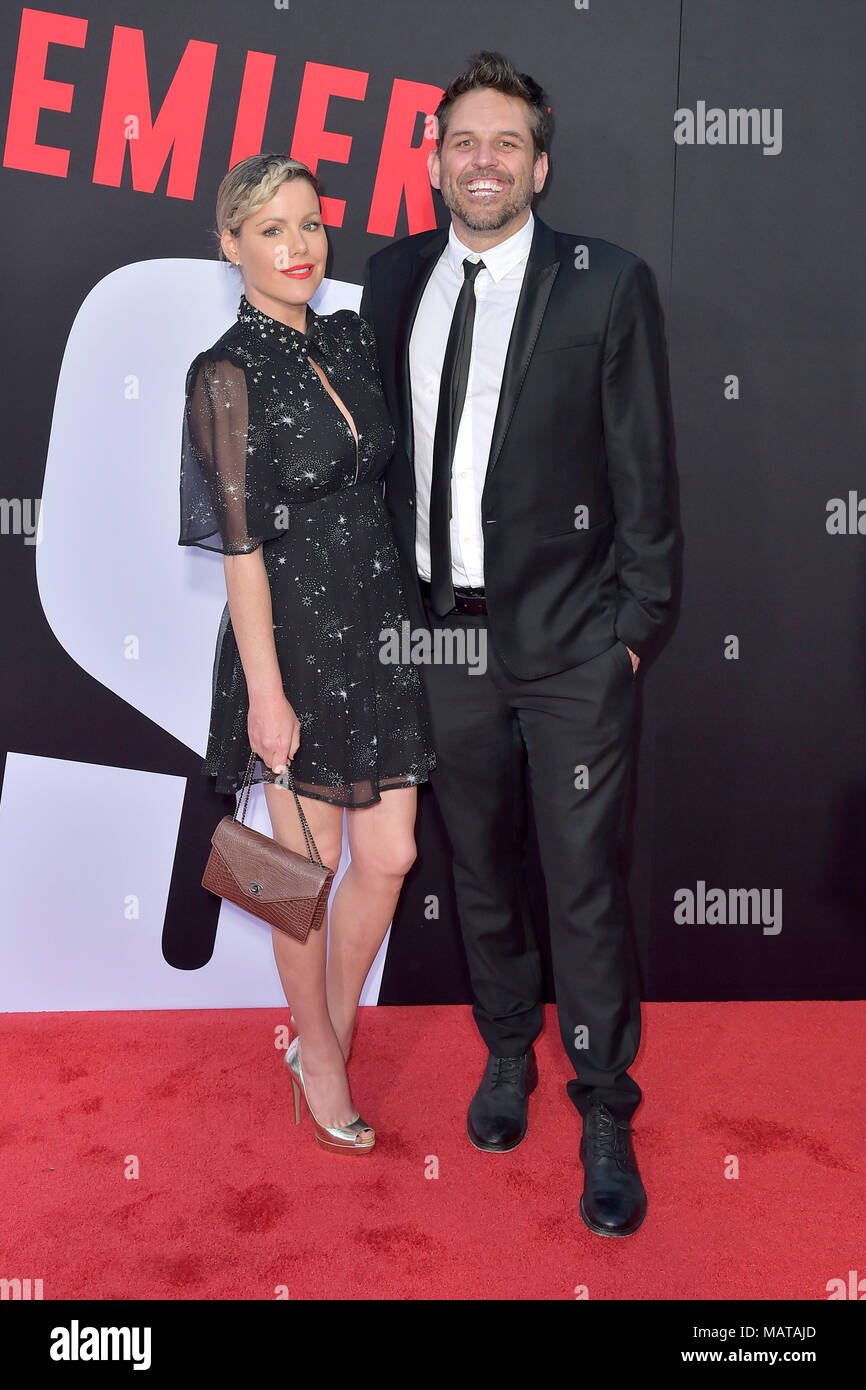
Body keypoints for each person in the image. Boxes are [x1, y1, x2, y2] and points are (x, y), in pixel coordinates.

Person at [360, 53, 677, 1231]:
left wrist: (630, 633)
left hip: (569, 647)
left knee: (581, 885)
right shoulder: (394, 277)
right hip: (442, 639)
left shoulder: (605, 284)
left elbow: (645, 473)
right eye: (461, 141)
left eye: (504, 143)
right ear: (434, 161)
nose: (480, 160)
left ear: (538, 166)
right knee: (480, 870)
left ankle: (601, 1100)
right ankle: (508, 1054)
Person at [179, 153, 436, 1155]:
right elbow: (241, 550)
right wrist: (265, 696)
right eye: (271, 230)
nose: (297, 247)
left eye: (310, 224)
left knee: (391, 854)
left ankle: (323, 1024)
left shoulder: (346, 335)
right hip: (288, 639)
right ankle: (323, 1058)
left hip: (378, 626)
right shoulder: (224, 374)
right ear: (231, 246)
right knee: (300, 870)